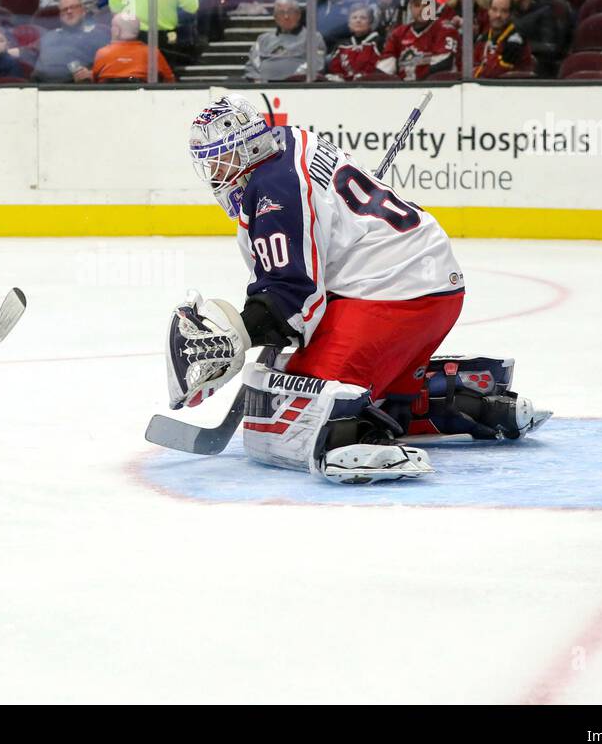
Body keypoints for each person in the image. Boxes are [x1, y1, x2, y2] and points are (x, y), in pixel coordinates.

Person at [167, 94, 547, 484]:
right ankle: (449, 399)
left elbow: (291, 297)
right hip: (423, 286)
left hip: (394, 294)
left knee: (289, 412)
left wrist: (241, 333)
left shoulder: (272, 192)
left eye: (221, 158)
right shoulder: (286, 140)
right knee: (313, 384)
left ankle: (353, 434)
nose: (215, 172)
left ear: (247, 149)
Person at [377, 0, 459, 81]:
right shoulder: (399, 33)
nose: (422, 9)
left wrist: (418, 84)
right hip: (404, 89)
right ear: (410, 8)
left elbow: (444, 63)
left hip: (438, 88)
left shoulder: (445, 29)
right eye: (417, 5)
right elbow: (385, 67)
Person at [243, 0, 326, 82]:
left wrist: (291, 79)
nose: (286, 16)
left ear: (298, 15)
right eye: (281, 13)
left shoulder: (313, 37)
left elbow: (316, 65)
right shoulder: (263, 39)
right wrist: (259, 80)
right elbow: (252, 65)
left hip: (297, 87)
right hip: (264, 87)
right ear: (275, 17)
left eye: (290, 12)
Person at [33, 0, 107, 82]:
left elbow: (109, 65)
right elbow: (30, 50)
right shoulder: (49, 36)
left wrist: (93, 74)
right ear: (60, 16)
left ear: (83, 11)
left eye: (73, 7)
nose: (69, 11)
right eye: (64, 10)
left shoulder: (98, 34)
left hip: (77, 88)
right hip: (41, 86)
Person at [92, 12, 176, 82]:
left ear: (116, 31)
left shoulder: (103, 53)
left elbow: (94, 79)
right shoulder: (151, 52)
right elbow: (169, 79)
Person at [473, 0, 532, 77]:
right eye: (494, 9)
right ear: (488, 11)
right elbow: (470, 65)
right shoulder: (483, 37)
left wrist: (474, 72)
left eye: (504, 11)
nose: (498, 15)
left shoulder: (515, 40)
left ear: (511, 14)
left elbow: (495, 72)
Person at [324, 4, 385, 81]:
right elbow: (335, 68)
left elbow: (382, 69)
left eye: (363, 18)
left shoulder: (379, 42)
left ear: (370, 22)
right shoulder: (342, 45)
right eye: (354, 17)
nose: (358, 20)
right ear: (349, 24)